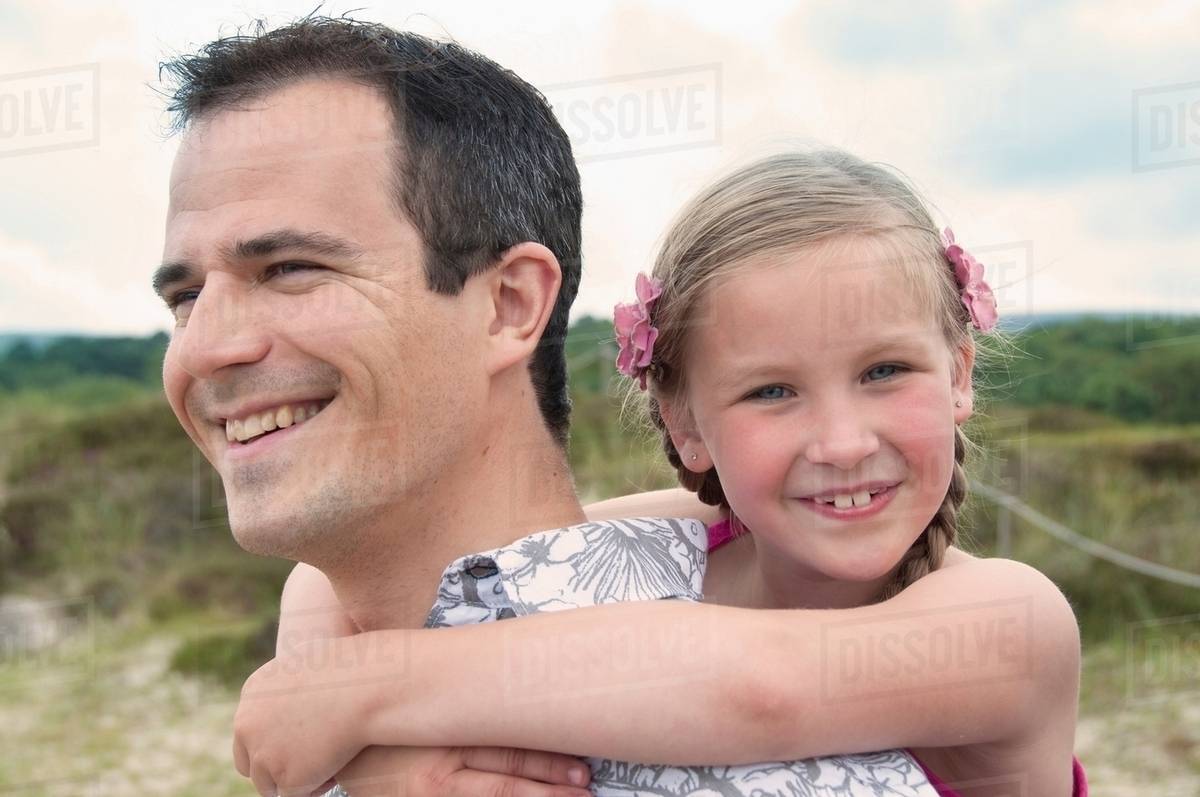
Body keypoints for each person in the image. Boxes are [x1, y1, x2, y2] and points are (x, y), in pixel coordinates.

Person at [154, 16, 938, 797]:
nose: (204, 349)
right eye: (186, 297)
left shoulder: (785, 763)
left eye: (291, 268)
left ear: (507, 304)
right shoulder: (323, 710)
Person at [233, 150, 1089, 796]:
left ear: (961, 374)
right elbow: (348, 568)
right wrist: (339, 703)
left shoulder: (1010, 623)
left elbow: (767, 690)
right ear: (687, 425)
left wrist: (373, 690)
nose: (840, 440)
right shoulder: (679, 538)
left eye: (884, 372)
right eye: (772, 390)